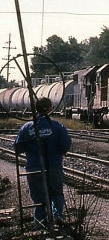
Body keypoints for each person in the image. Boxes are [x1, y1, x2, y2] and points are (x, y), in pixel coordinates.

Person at [13, 97, 72, 228]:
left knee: (38, 198)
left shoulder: (26, 128)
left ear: (35, 109)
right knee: (56, 193)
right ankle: (57, 216)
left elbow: (17, 148)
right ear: (50, 108)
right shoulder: (57, 126)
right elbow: (66, 145)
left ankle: (40, 222)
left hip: (34, 168)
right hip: (53, 166)